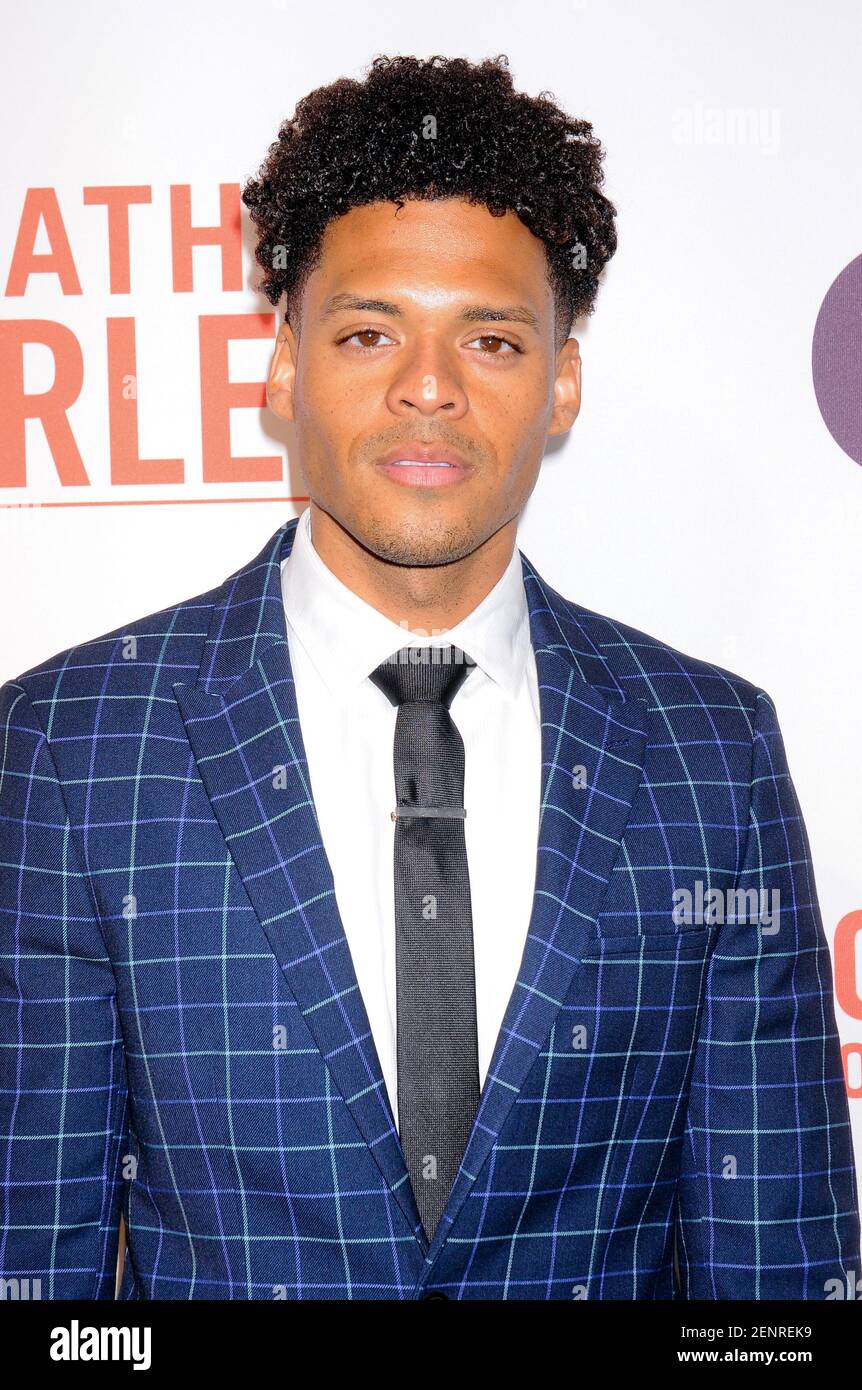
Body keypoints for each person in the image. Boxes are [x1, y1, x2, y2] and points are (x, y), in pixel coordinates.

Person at [0, 53, 858, 1301]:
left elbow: (773, 1282)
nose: (429, 387)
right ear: (282, 362)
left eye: (493, 338)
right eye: (367, 331)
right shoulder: (74, 748)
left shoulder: (709, 751)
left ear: (560, 380)